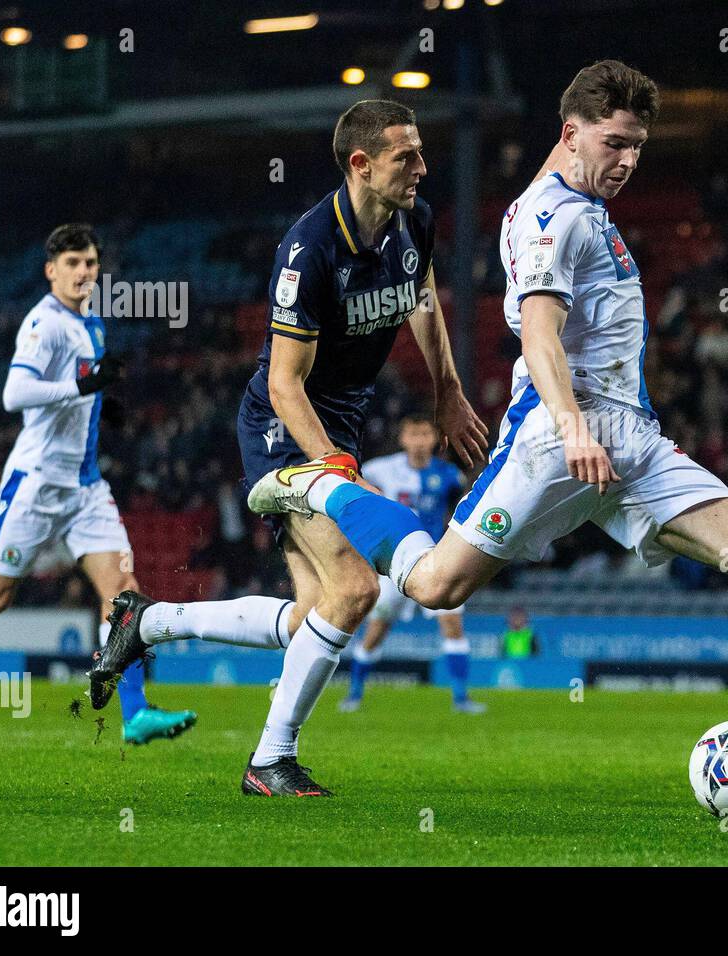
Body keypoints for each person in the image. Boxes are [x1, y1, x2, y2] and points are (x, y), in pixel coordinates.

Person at [248, 61, 728, 774]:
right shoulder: (547, 218)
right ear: (570, 134)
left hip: (632, 442)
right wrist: (572, 424)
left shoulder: (589, 210)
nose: (629, 160)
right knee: (431, 587)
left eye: (638, 146)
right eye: (615, 143)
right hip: (555, 441)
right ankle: (317, 487)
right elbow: (540, 333)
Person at [90, 99, 487, 796]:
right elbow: (282, 383)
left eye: (423, 152)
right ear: (361, 165)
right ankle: (269, 761)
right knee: (359, 588)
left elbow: (421, 293)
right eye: (408, 157)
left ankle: (147, 621)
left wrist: (447, 389)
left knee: (316, 615)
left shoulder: (414, 221)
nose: (424, 168)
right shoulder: (309, 251)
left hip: (342, 423)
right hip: (286, 425)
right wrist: (331, 465)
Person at [0, 223, 195, 745]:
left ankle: (135, 714)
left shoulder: (90, 321)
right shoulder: (43, 322)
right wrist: (82, 386)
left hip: (85, 487)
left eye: (90, 264)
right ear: (51, 270)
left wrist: (99, 403)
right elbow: (14, 393)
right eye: (72, 263)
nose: (83, 272)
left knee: (123, 595)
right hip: (37, 485)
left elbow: (79, 390)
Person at [339, 412, 484, 714]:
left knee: (453, 625)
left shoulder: (449, 476)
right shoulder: (380, 470)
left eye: (424, 434)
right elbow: (351, 485)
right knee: (376, 630)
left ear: (434, 438)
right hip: (395, 564)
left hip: (439, 561)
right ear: (402, 438)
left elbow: (457, 512)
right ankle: (354, 693)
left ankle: (461, 698)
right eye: (412, 434)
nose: (418, 441)